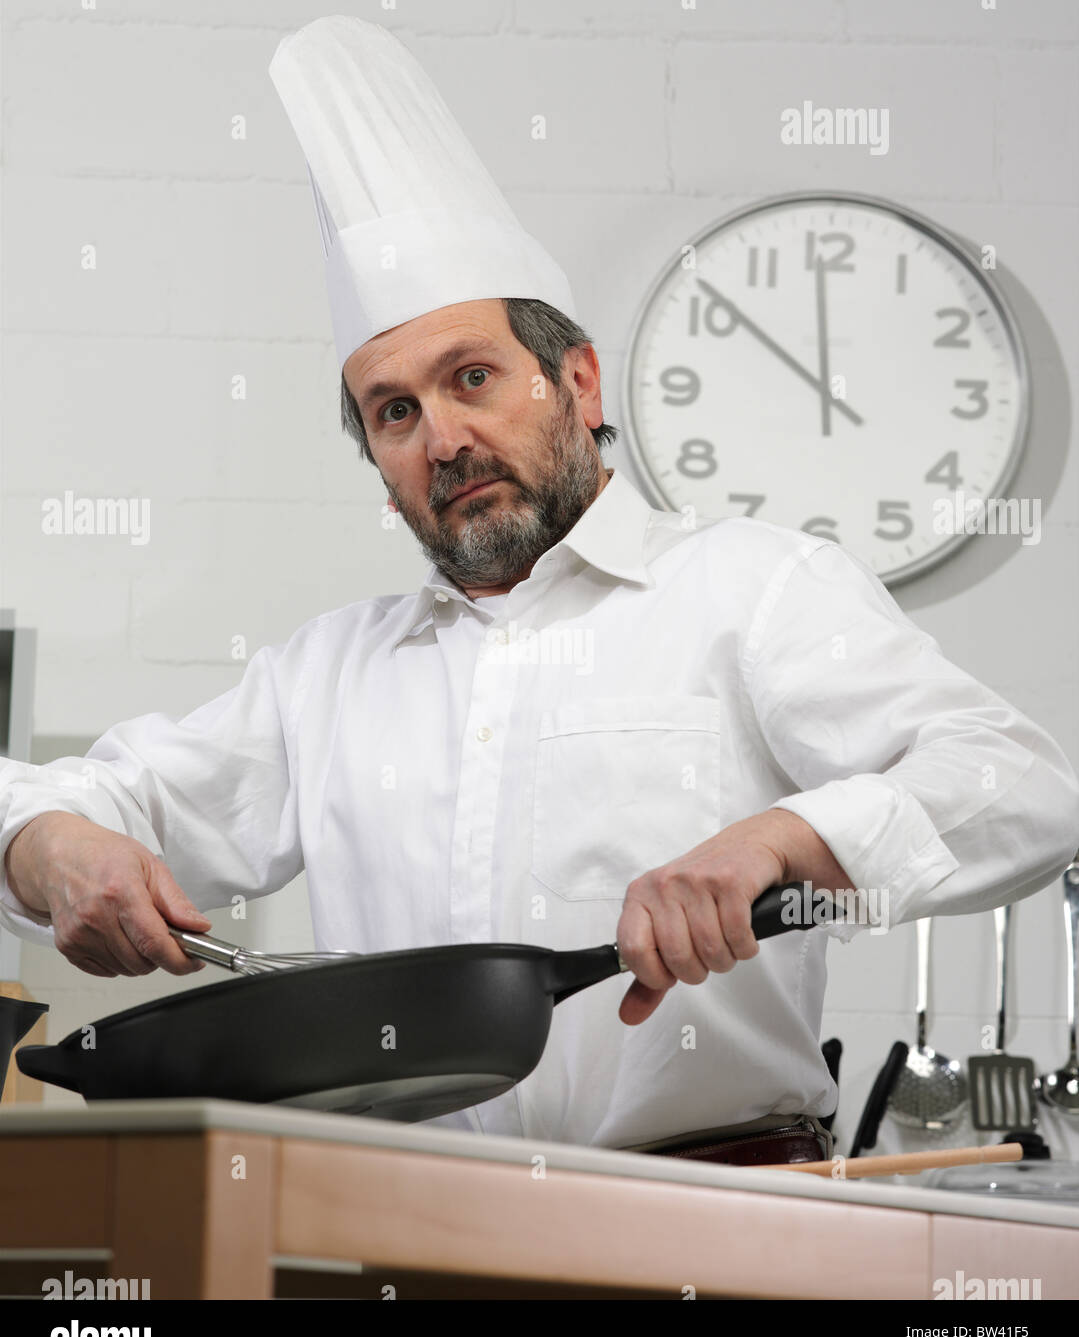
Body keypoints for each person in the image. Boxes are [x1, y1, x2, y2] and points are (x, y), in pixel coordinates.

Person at [2, 19, 1077, 1163]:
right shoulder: (327, 676)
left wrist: (779, 838)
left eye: (471, 378)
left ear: (573, 380)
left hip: (720, 1216)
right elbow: (82, 804)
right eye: (394, 412)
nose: (443, 438)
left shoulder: (750, 590)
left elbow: (1020, 786)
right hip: (394, 1224)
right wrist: (52, 847)